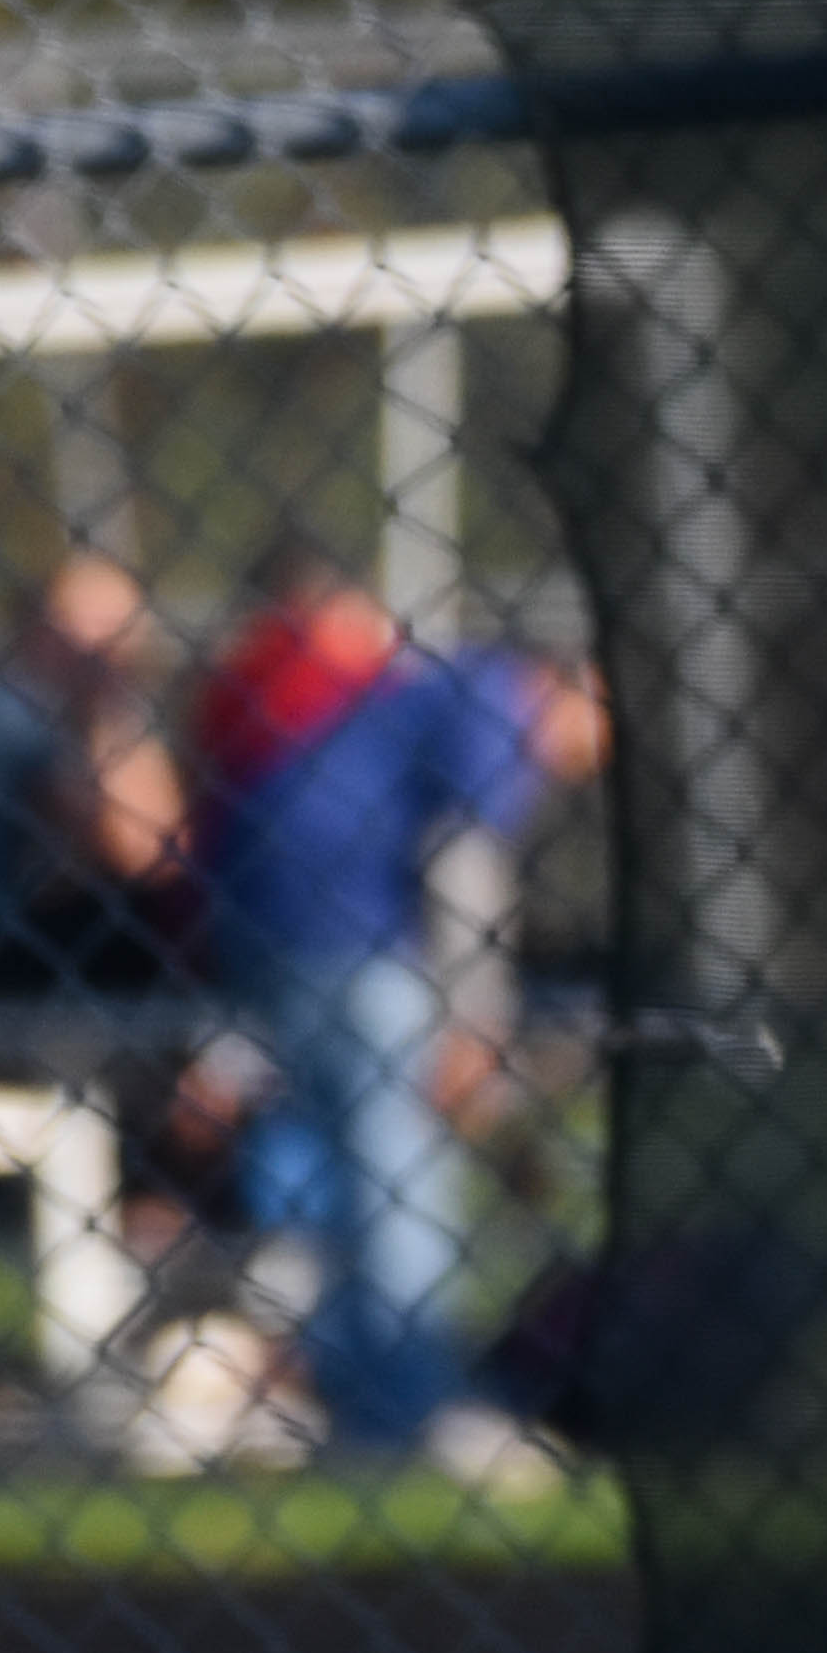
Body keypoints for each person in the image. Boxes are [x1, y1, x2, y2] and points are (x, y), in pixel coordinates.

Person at [186, 536, 608, 1462]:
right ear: (581, 687)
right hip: (353, 941)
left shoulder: (423, 692)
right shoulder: (493, 697)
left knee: (339, 1179)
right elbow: (461, 863)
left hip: (269, 936)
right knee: (395, 1175)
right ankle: (410, 1410)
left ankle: (357, 1400)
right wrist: (474, 1019)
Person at [0, 553, 189, 1004]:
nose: (128, 653)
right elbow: (143, 850)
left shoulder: (10, 708)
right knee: (144, 922)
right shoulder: (13, 721)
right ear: (49, 631)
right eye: (111, 632)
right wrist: (113, 712)